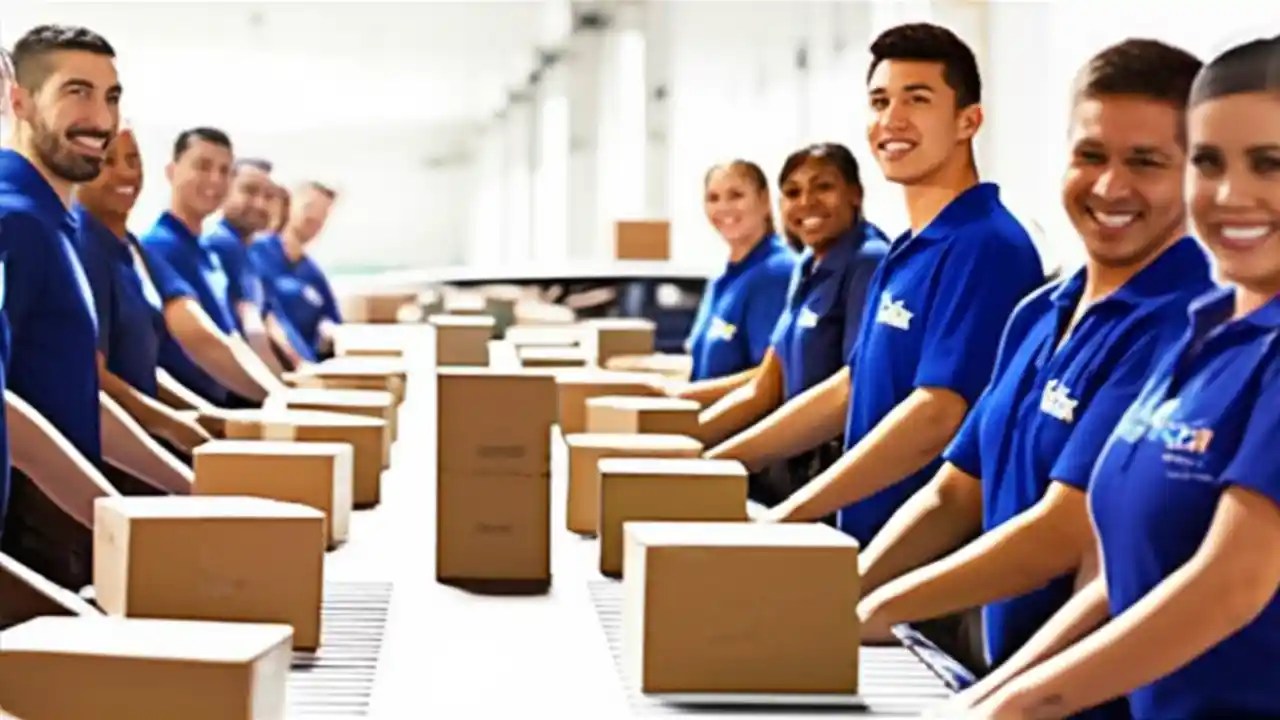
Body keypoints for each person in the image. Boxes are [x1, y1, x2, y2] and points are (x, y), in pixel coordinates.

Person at [855, 41, 1211, 695]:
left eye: (1146, 163)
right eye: (1091, 155)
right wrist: (846, 592)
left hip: (1085, 696)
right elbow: (957, 491)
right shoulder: (1040, 311)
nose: (1110, 186)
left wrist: (882, 606)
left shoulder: (1183, 328)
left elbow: (1065, 531)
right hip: (999, 676)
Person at [954, 34, 1280, 720]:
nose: (1231, 194)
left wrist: (1013, 706)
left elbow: (1230, 582)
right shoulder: (1203, 338)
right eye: (1210, 162)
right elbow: (1121, 573)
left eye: (1269, 164)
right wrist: (991, 698)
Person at [750, 24, 1044, 544]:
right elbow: (850, 388)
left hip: (920, 571)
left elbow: (936, 416)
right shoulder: (907, 248)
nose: (892, 119)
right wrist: (716, 462)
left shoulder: (986, 245)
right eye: (880, 101)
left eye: (917, 99)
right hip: (864, 549)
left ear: (968, 121)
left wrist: (791, 512)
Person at [0, 25, 190, 590]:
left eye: (111, 97)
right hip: (34, 526)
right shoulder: (15, 222)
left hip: (64, 521)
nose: (101, 120)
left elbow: (69, 394)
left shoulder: (53, 224)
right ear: (19, 101)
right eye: (75, 92)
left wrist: (190, 488)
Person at [690, 144, 888, 507]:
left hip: (837, 477)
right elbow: (765, 387)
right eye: (793, 192)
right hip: (790, 466)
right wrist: (686, 445)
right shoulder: (807, 264)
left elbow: (850, 392)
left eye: (823, 187)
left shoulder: (869, 261)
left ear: (855, 194)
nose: (806, 201)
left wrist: (720, 458)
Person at [140, 127, 283, 406]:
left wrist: (280, 389)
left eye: (224, 171)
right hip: (194, 415)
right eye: (203, 167)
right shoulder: (157, 246)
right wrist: (278, 399)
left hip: (228, 406)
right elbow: (204, 343)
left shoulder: (210, 254)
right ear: (172, 171)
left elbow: (233, 339)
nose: (215, 180)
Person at [683, 160, 796, 386]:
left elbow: (767, 379)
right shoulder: (721, 279)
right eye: (713, 198)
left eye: (736, 195)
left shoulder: (776, 273)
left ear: (764, 201)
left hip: (743, 420)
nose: (723, 207)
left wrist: (678, 395)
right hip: (705, 416)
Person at [203, 157, 314, 368]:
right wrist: (281, 385)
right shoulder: (222, 243)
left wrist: (302, 365)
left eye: (269, 196)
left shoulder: (250, 251)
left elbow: (268, 319)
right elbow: (252, 328)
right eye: (249, 191)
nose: (260, 203)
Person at [249, 180, 342, 359]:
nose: (314, 217)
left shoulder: (313, 273)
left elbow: (333, 321)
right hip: (279, 365)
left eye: (323, 213)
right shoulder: (256, 252)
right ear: (290, 206)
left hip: (313, 366)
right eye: (309, 207)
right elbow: (262, 315)